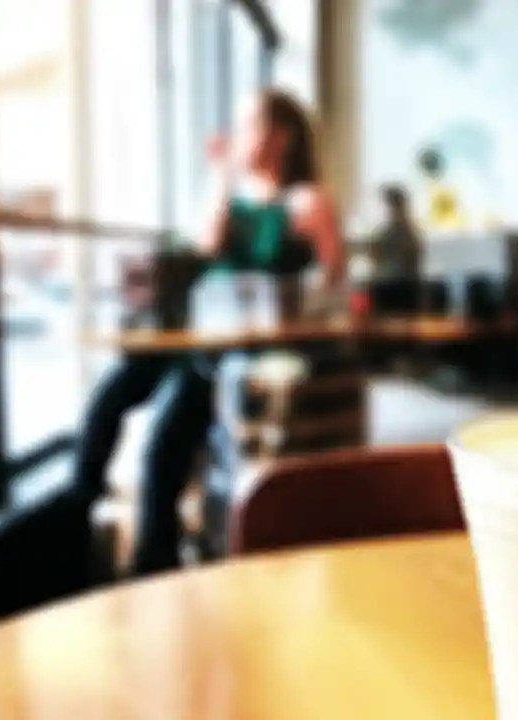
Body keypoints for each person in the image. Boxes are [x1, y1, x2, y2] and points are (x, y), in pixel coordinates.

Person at [125, 89, 343, 573]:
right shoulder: (234, 199)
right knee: (140, 406)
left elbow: (334, 282)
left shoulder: (306, 201)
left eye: (250, 126)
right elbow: (208, 243)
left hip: (262, 351)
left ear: (280, 138)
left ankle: (176, 556)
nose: (239, 136)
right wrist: (222, 175)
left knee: (180, 434)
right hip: (209, 345)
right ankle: (141, 555)